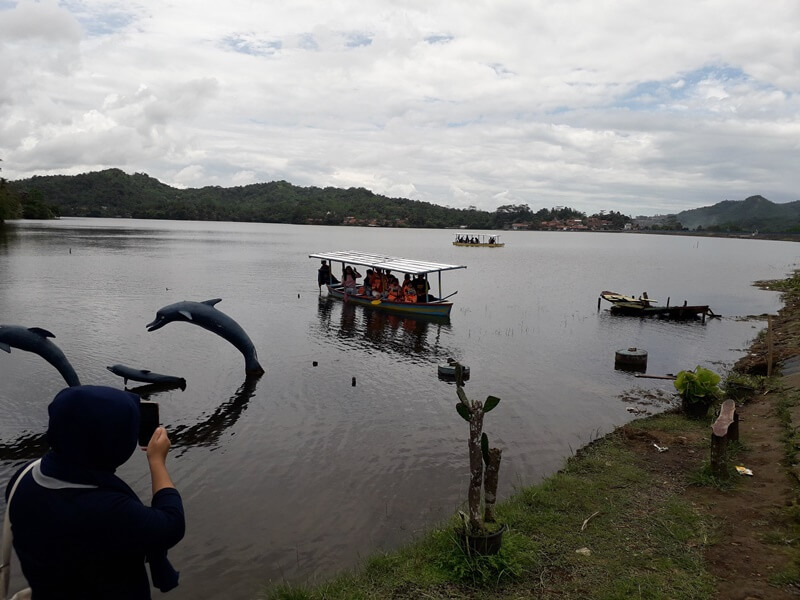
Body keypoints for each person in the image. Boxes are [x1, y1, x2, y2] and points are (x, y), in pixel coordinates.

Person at [4, 385, 185, 599]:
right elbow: (172, 524)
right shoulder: (108, 509)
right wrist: (157, 461)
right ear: (114, 444)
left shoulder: (24, 478)